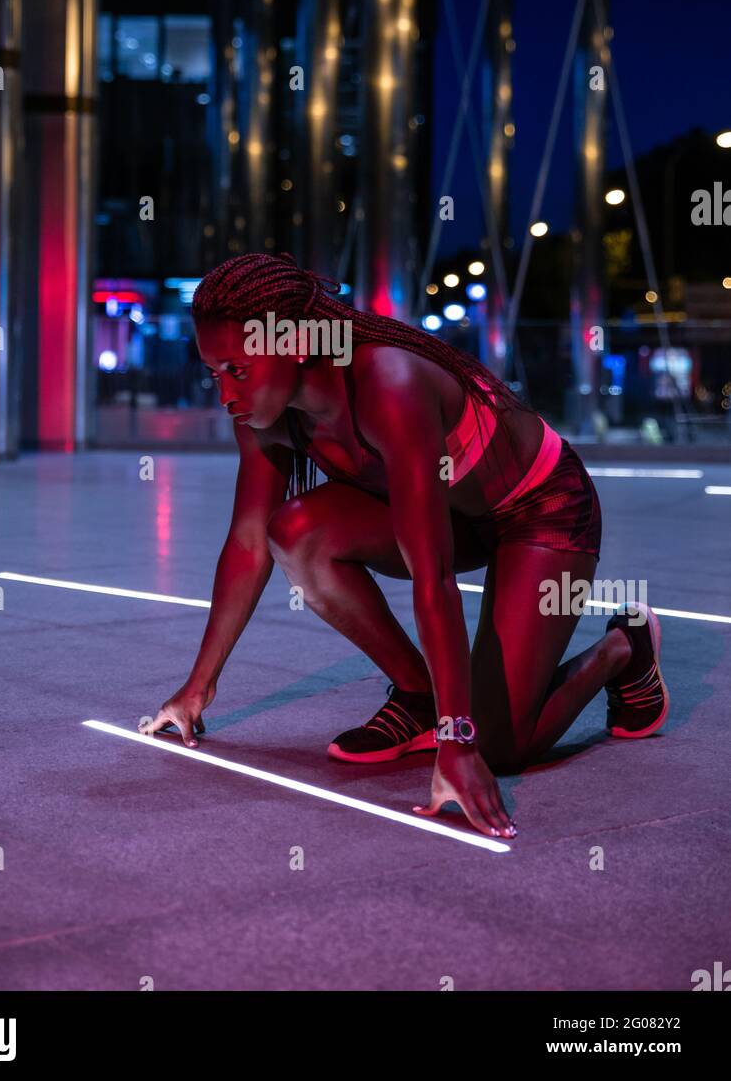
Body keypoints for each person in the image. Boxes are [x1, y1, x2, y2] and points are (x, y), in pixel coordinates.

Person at [141, 252, 669, 839]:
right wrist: (197, 689)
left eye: (238, 369)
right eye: (215, 373)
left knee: (500, 745)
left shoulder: (388, 383)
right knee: (293, 531)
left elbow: (432, 575)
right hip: (456, 516)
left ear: (292, 342)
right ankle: (420, 695)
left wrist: (459, 739)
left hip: (540, 510)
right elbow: (246, 543)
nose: (225, 395)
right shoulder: (264, 415)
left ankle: (624, 647)